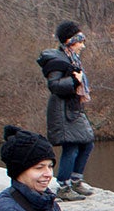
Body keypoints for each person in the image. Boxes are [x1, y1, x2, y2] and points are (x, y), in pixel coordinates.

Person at [39, 21, 96, 199]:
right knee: (71, 147)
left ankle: (76, 180)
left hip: (73, 109)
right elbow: (54, 86)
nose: (83, 45)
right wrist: (75, 81)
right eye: (80, 41)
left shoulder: (71, 58)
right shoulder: (56, 60)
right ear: (70, 41)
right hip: (62, 111)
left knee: (87, 143)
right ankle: (64, 187)